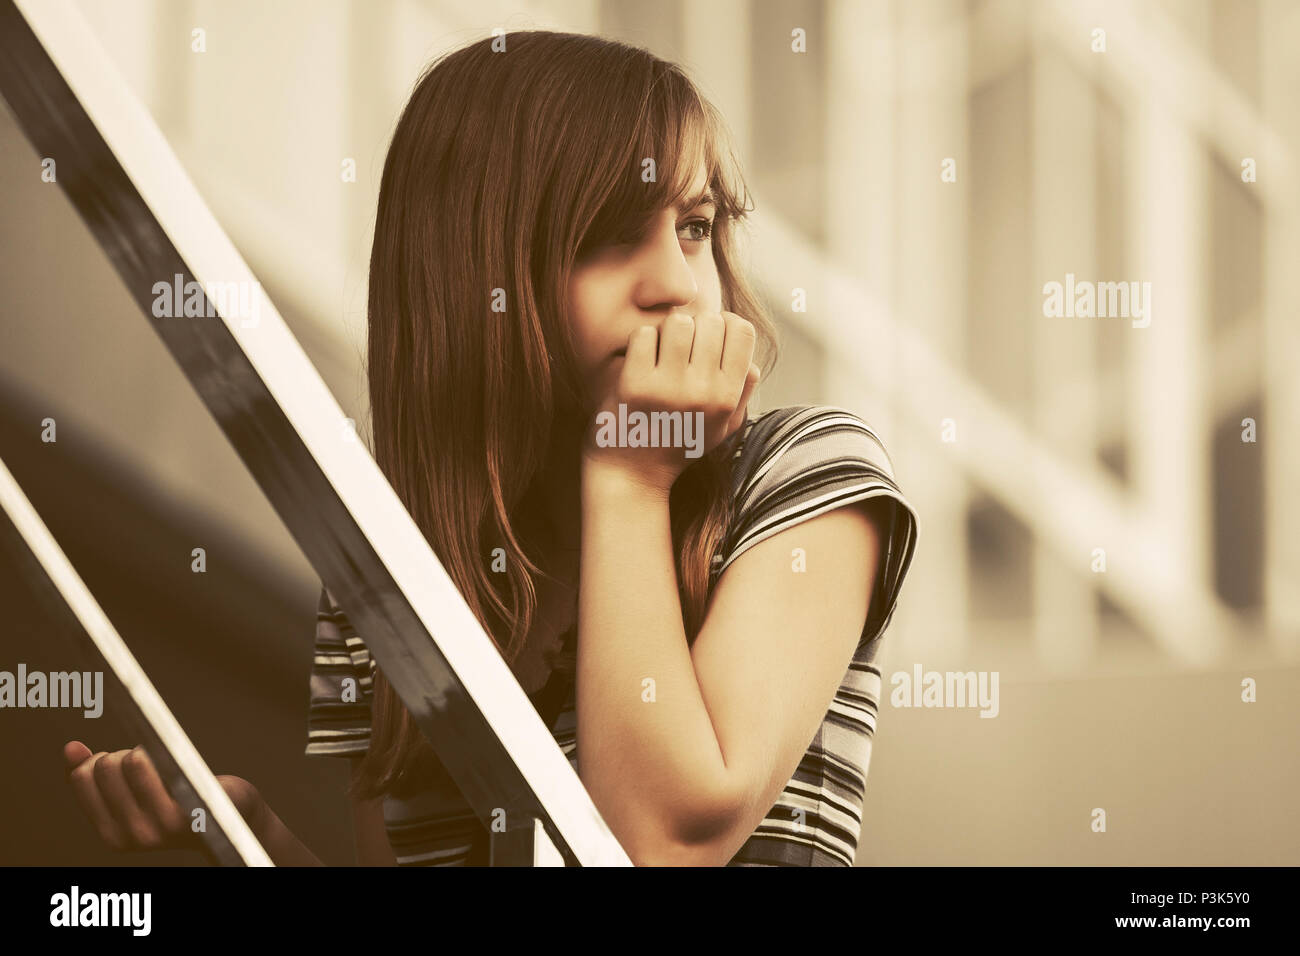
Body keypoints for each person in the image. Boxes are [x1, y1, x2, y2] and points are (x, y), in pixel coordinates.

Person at [63, 29, 918, 867]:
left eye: (694, 227)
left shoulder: (810, 475)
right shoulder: (391, 555)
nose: (679, 286)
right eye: (612, 234)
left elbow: (654, 849)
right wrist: (257, 847)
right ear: (479, 271)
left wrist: (626, 472)